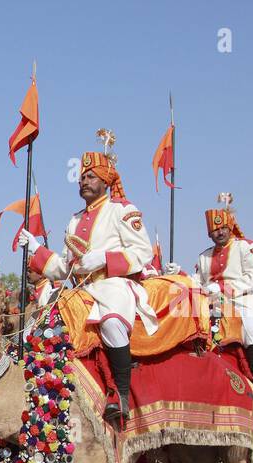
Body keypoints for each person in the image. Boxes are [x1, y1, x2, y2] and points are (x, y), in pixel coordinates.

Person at [16, 137, 154, 420]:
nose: (84, 181)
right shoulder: (74, 220)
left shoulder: (123, 210)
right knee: (42, 324)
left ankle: (121, 395)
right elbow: (63, 269)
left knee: (113, 323)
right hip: (83, 290)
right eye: (81, 177)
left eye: (91, 176)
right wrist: (37, 250)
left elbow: (142, 252)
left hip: (116, 284)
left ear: (105, 180)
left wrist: (105, 258)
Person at [194, 196, 253, 390]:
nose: (219, 233)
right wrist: (179, 276)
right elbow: (197, 280)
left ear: (230, 227)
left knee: (250, 326)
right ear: (209, 234)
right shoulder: (204, 256)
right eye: (214, 230)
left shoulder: (247, 246)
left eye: (222, 229)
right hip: (210, 301)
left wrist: (223, 289)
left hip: (243, 299)